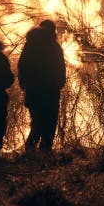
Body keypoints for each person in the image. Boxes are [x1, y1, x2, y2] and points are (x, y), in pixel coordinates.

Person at [17, 20, 66, 152]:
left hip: (33, 90)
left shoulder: (30, 45)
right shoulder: (54, 47)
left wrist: (25, 85)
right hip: (50, 90)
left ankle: (31, 148)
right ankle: (44, 149)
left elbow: (22, 67)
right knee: (50, 121)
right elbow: (60, 69)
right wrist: (58, 85)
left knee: (37, 120)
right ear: (53, 31)